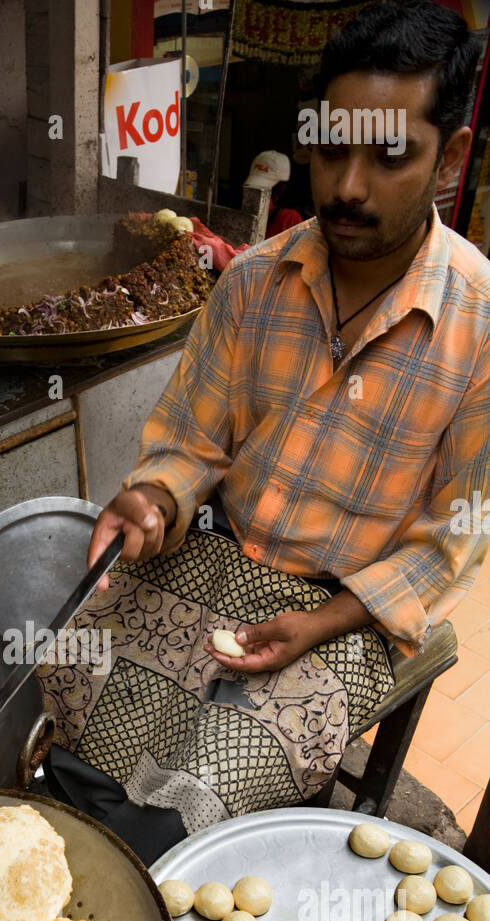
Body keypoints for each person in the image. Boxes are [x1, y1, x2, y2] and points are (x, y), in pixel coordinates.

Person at [41, 0, 489, 863]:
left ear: (450, 158)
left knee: (189, 801)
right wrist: (149, 499)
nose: (348, 186)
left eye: (390, 156)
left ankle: (158, 900)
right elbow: (189, 443)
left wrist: (328, 621)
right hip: (215, 549)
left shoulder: (478, 330)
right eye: (330, 150)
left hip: (347, 610)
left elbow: (452, 543)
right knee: (59, 692)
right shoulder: (251, 282)